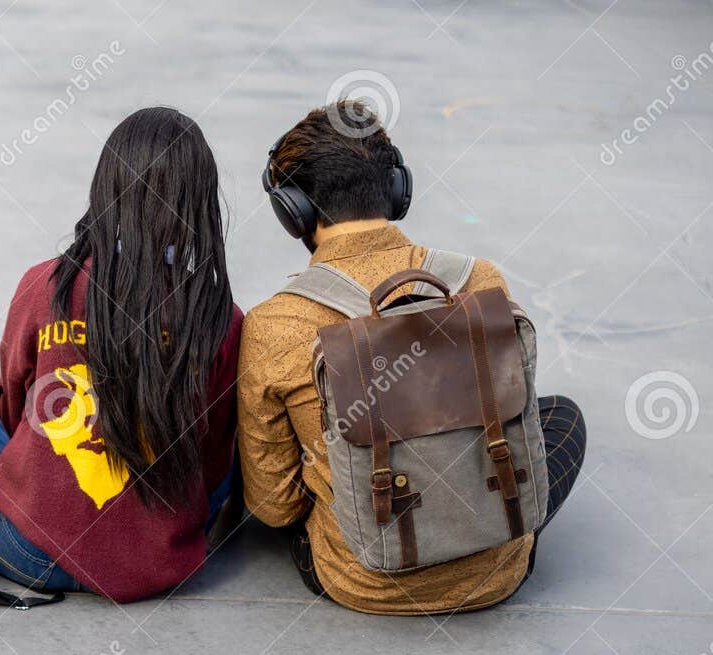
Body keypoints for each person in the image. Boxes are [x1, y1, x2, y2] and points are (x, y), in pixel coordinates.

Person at [239, 102, 586, 614]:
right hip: (498, 575)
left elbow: (275, 506)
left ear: (294, 212)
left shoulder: (276, 324)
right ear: (398, 189)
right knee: (563, 416)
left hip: (363, 582)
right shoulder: (479, 282)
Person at [0, 107, 242, 602]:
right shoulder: (219, 315)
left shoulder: (45, 285)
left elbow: (13, 402)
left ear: (106, 187)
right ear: (200, 203)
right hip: (158, 565)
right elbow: (212, 460)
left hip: (26, 552)